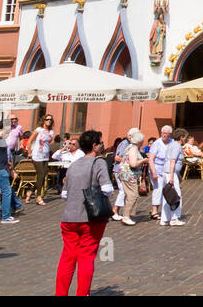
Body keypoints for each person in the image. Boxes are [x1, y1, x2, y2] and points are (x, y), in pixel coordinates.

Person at [55, 131, 115, 295]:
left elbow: (64, 194)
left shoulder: (74, 164)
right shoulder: (98, 163)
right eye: (100, 143)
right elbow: (107, 189)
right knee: (86, 258)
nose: (102, 145)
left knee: (67, 258)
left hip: (69, 217)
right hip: (90, 217)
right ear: (95, 146)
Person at [149, 125, 186, 226]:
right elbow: (172, 161)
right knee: (176, 195)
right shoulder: (176, 146)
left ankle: (165, 219)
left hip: (167, 172)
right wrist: (172, 177)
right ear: (181, 137)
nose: (185, 140)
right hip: (170, 173)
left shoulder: (171, 144)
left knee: (167, 195)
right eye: (184, 137)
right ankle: (175, 218)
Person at [113, 129, 146, 225]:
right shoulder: (133, 148)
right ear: (139, 141)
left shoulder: (132, 147)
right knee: (132, 195)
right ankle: (126, 216)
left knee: (131, 195)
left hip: (128, 175)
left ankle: (128, 215)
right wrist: (143, 161)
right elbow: (133, 164)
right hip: (129, 175)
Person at [29, 115, 55, 206]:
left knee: (43, 175)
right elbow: (30, 141)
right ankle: (38, 196)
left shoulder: (51, 132)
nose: (49, 121)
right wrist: (29, 152)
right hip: (37, 155)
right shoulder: (39, 129)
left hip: (46, 155)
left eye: (50, 120)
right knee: (40, 174)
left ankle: (31, 191)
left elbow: (48, 142)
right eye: (47, 119)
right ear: (43, 120)